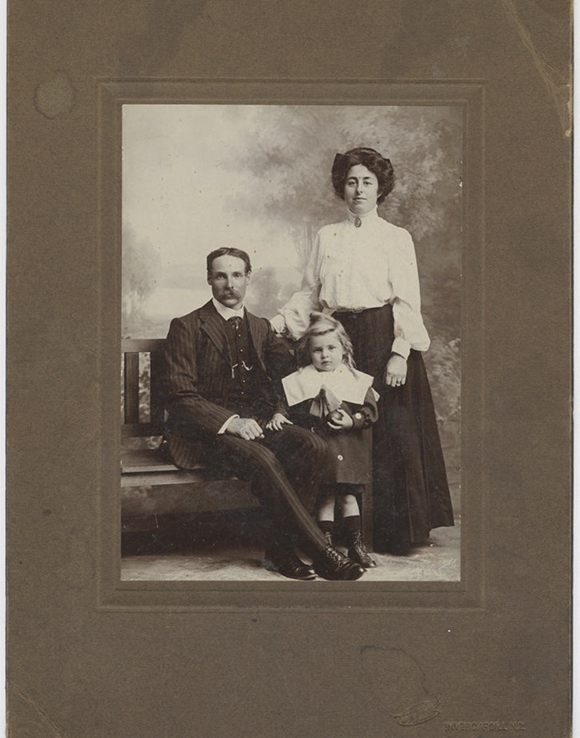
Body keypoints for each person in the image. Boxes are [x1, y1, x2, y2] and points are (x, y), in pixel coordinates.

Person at [271, 148, 455, 555]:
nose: (358, 189)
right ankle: (338, 535)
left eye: (367, 182)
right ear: (342, 187)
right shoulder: (326, 236)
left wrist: (399, 352)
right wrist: (280, 323)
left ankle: (392, 534)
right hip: (338, 337)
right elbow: (310, 293)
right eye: (352, 181)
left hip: (382, 334)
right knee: (336, 428)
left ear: (380, 188)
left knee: (387, 430)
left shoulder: (396, 238)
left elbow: (407, 300)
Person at [162, 246, 366, 580]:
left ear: (248, 278)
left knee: (312, 447)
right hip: (205, 434)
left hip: (254, 426)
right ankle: (321, 552)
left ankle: (280, 550)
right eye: (221, 276)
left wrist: (277, 410)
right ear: (209, 280)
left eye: (237, 275)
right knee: (263, 459)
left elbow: (281, 378)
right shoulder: (187, 326)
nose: (230, 284)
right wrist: (232, 423)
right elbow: (180, 396)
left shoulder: (259, 327)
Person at [282, 312, 378, 569]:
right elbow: (292, 409)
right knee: (325, 498)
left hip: (349, 450)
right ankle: (325, 547)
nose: (325, 355)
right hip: (323, 452)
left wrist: (353, 420)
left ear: (344, 349)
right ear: (309, 352)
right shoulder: (303, 379)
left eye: (331, 348)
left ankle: (356, 547)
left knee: (348, 497)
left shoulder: (355, 379)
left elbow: (370, 411)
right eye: (318, 350)